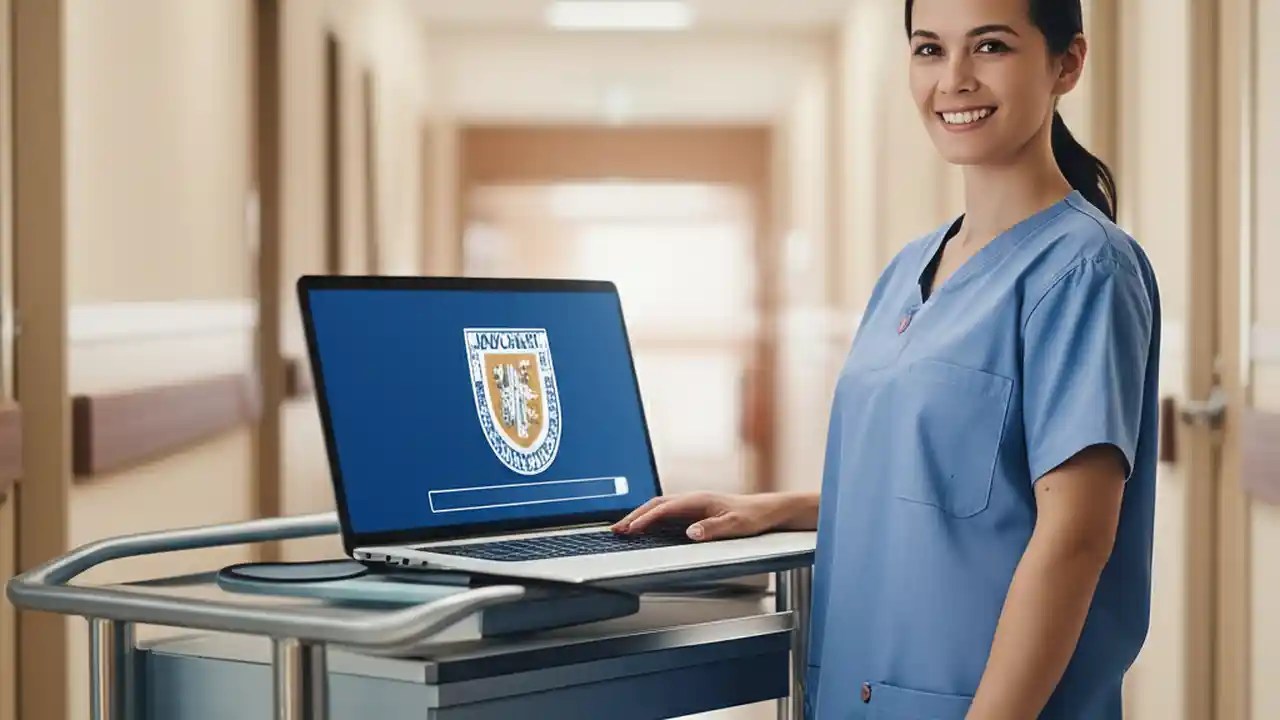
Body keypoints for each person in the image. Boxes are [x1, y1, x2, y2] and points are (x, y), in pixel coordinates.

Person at [613, 0, 1160, 717]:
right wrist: (775, 509)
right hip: (858, 690)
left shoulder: (1086, 270)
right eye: (929, 50)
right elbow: (954, 487)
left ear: (1067, 63)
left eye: (990, 47)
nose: (955, 79)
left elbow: (1075, 538)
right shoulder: (910, 268)